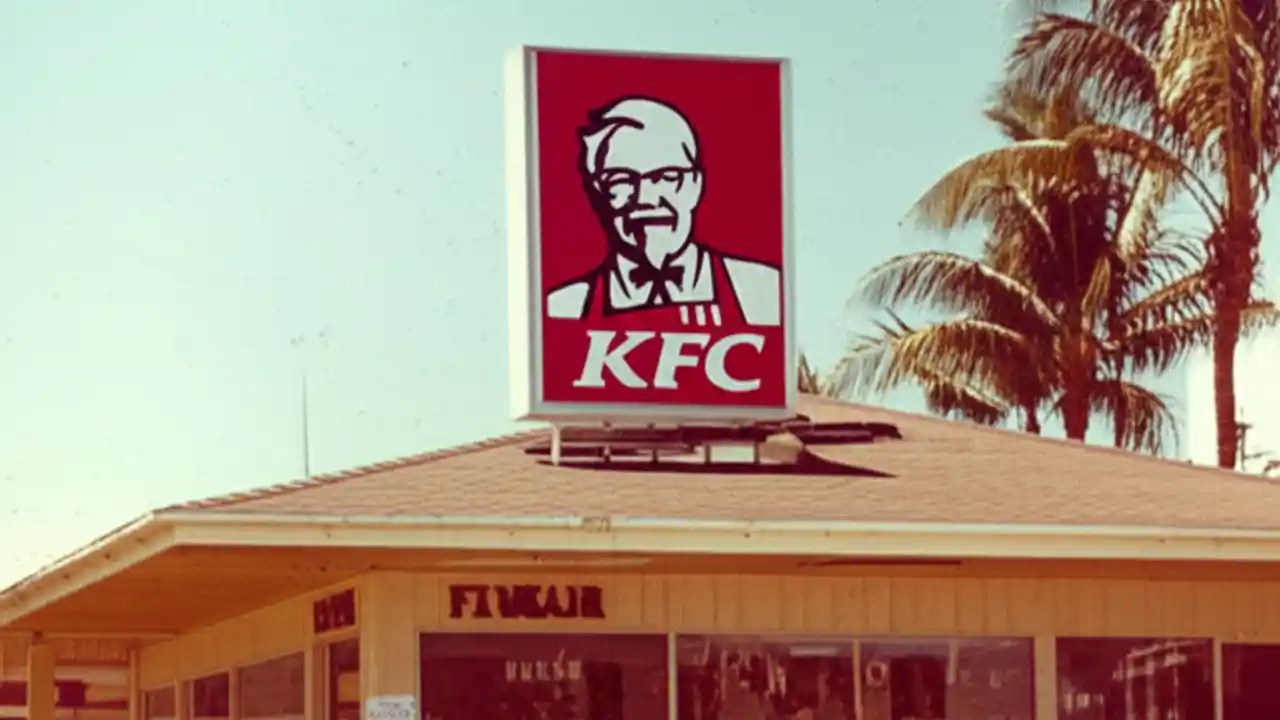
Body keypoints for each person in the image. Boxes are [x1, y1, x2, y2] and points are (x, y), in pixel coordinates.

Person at [544, 96, 781, 329]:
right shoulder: (564, 308)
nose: (645, 199)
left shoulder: (761, 291)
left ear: (696, 185)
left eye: (666, 177)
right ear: (598, 193)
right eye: (621, 180)